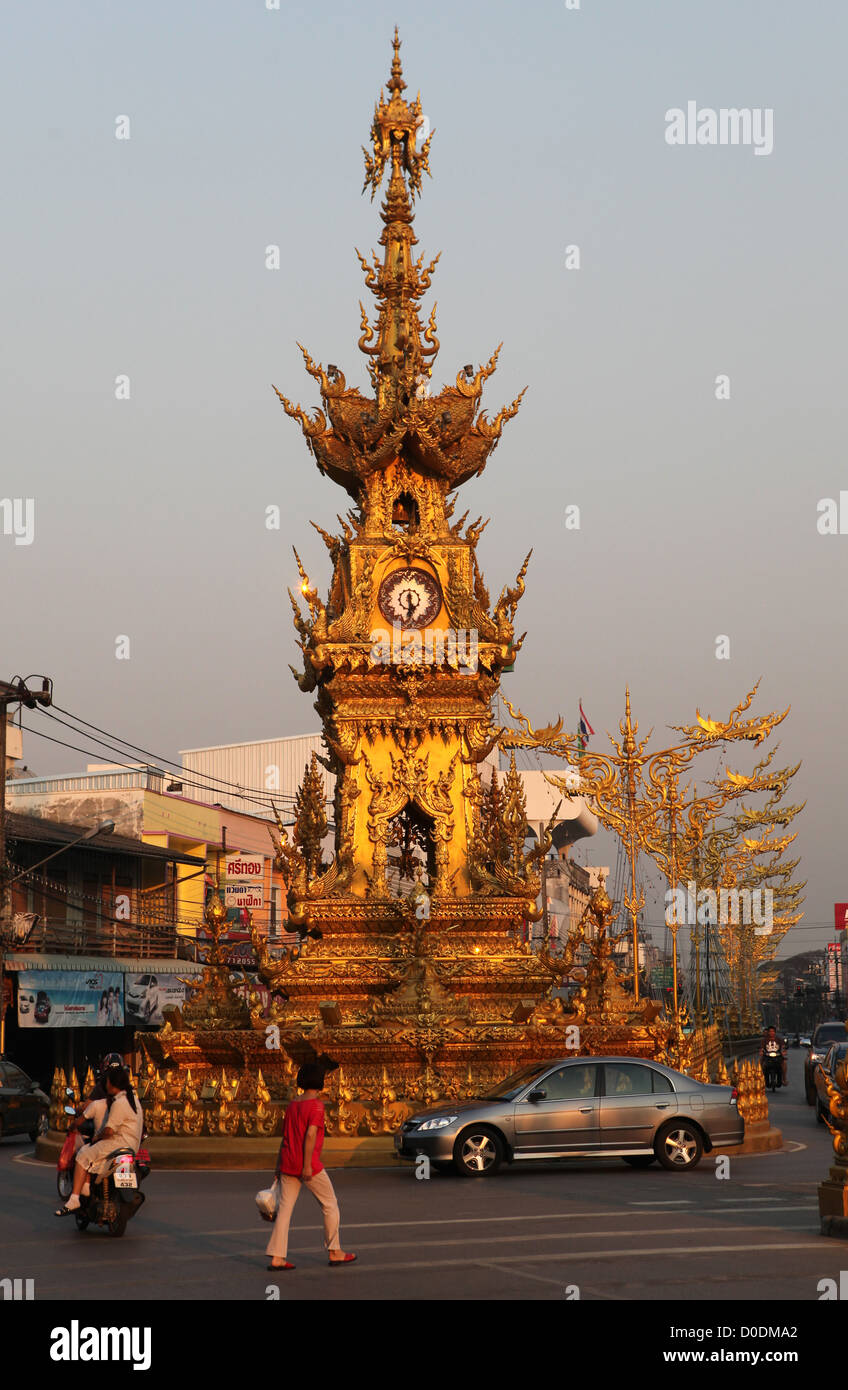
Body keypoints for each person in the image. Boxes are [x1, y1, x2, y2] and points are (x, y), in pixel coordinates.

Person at [265, 1062, 356, 1271]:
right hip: (308, 1164)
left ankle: (277, 1257)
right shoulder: (316, 1105)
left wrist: (278, 1165)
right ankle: (335, 1251)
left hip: (288, 1161)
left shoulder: (293, 1104)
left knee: (285, 1210)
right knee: (330, 1204)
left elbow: (285, 1137)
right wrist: (306, 1166)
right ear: (320, 1081)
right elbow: (311, 1135)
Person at [55, 1066, 144, 1215]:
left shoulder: (118, 1103)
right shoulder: (133, 1099)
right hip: (131, 1146)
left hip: (117, 1144)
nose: (107, 1084)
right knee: (94, 1157)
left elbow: (109, 1131)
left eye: (108, 1081)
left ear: (112, 1084)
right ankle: (86, 1188)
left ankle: (75, 1198)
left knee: (82, 1156)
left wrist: (97, 1137)